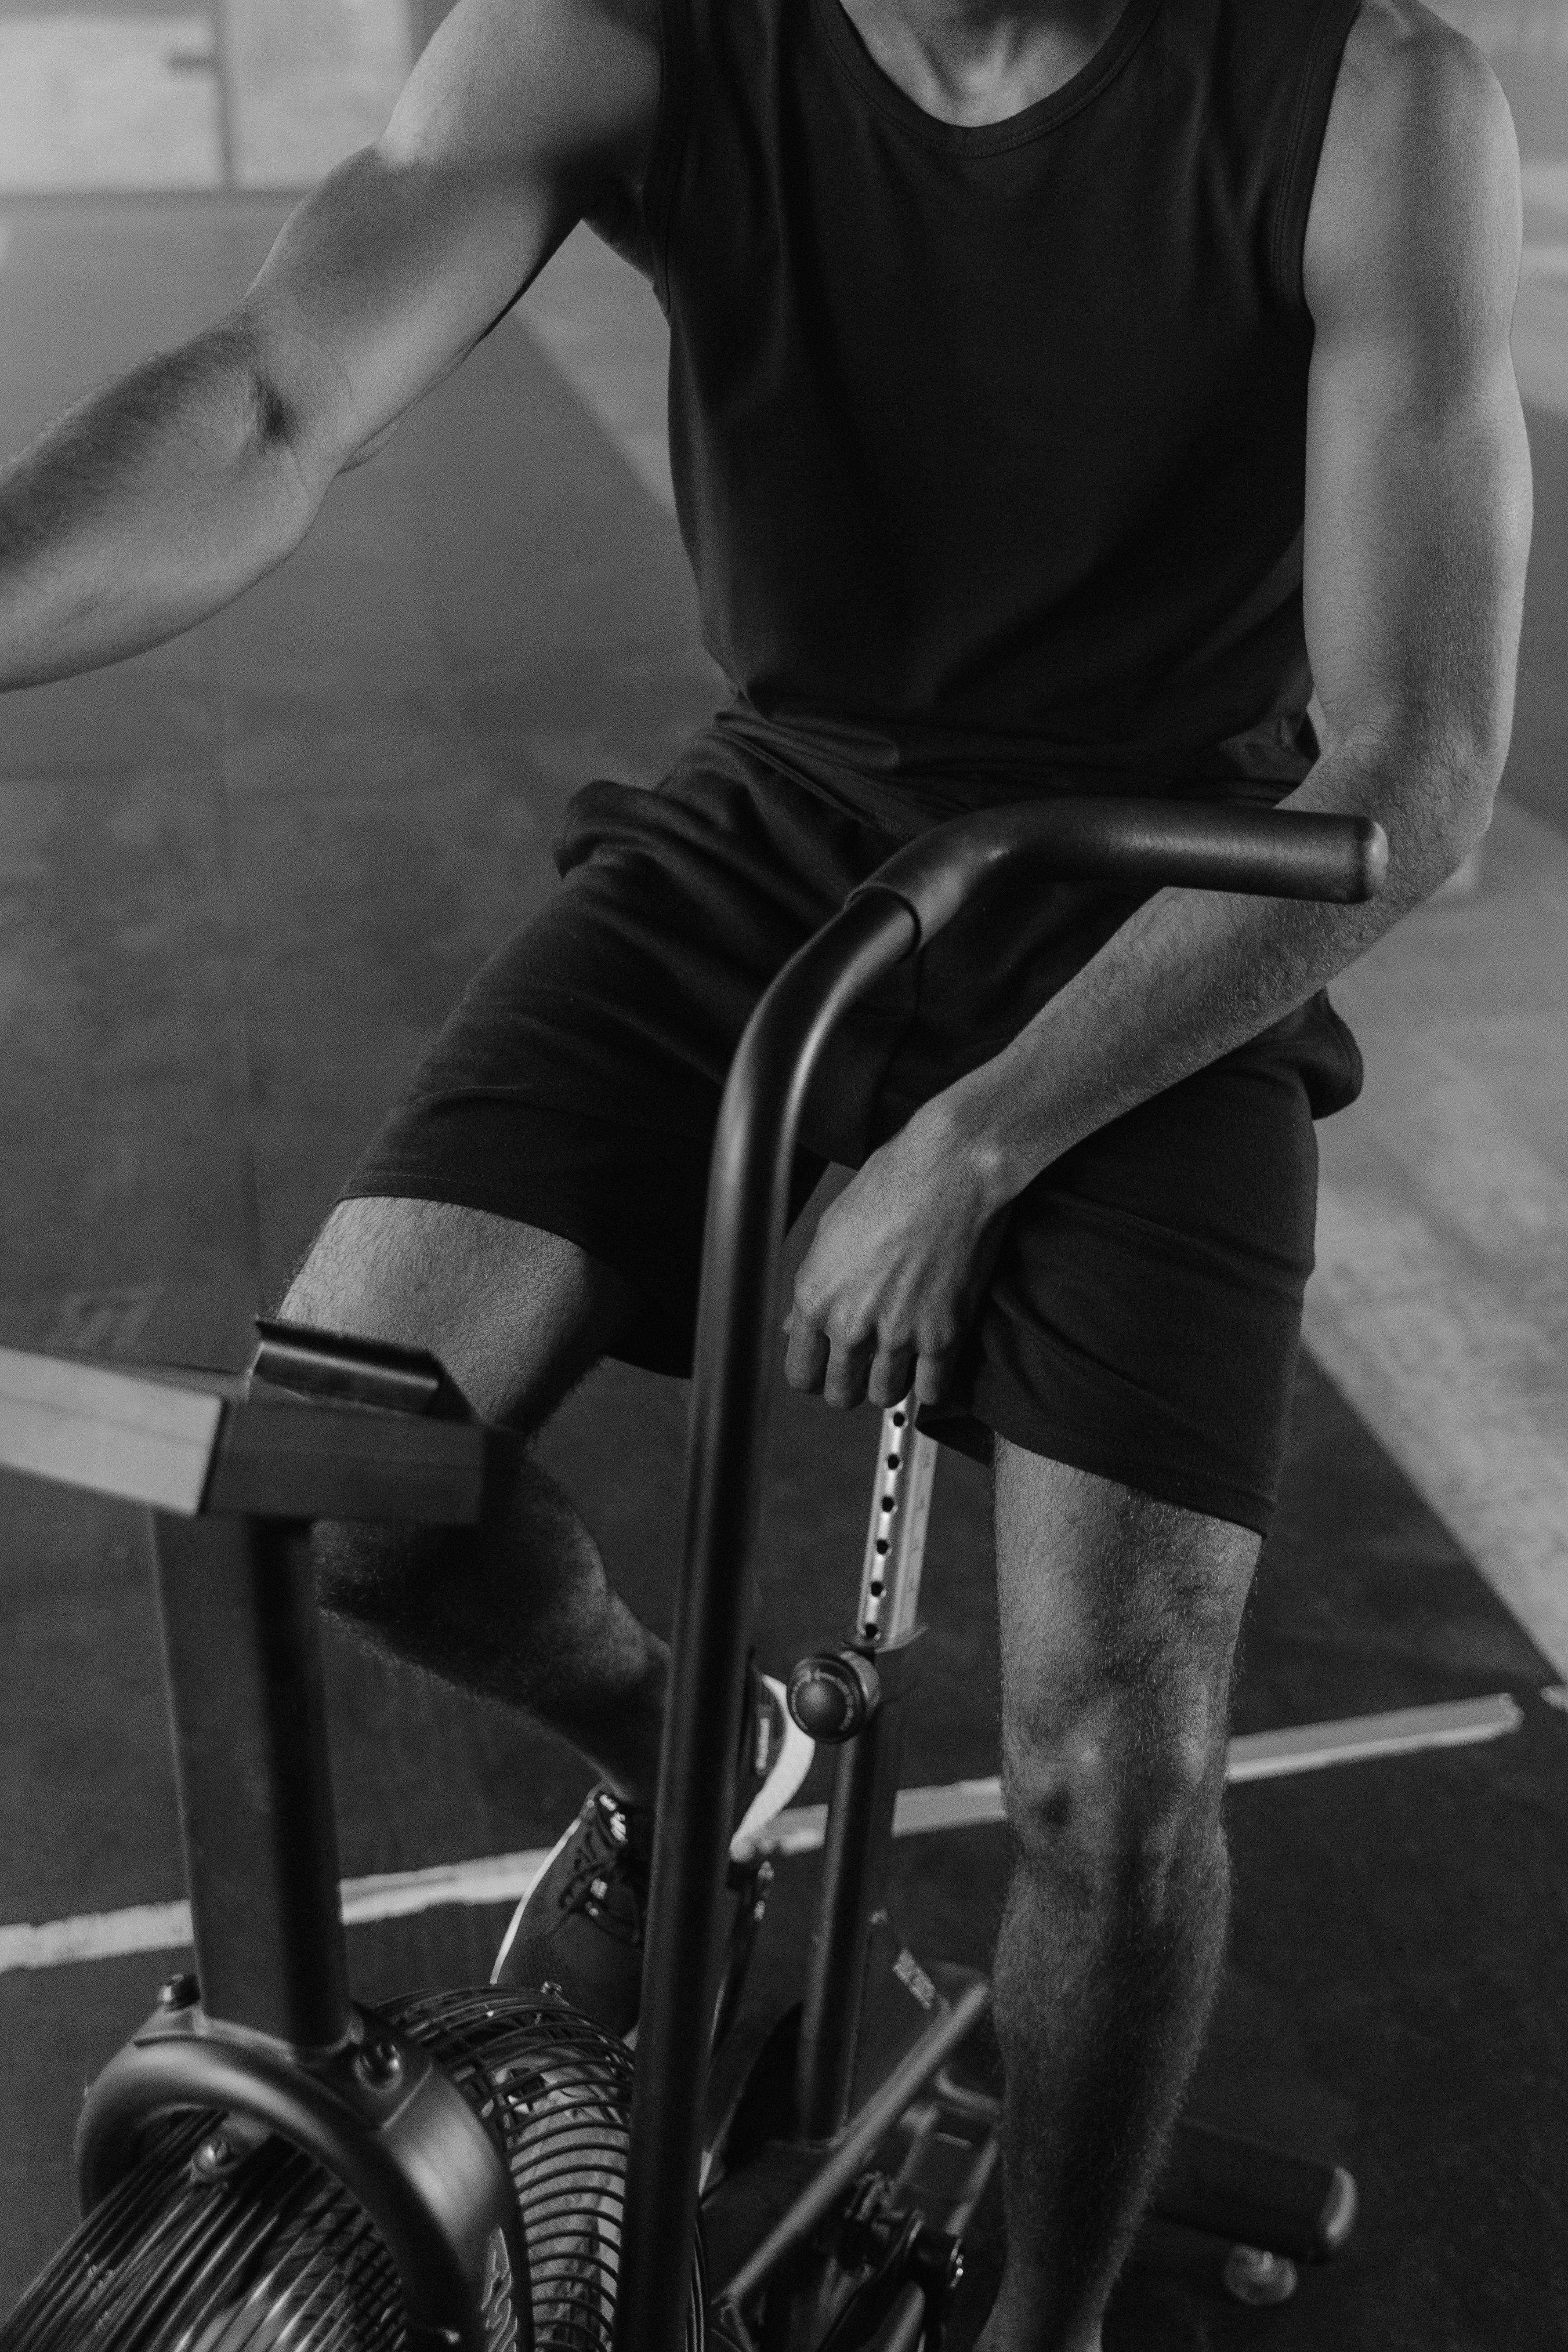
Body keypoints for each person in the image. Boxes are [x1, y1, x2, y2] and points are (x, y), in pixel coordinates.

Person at [0, 0, 1530, 2336]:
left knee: (1110, 1776)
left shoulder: (1370, 98)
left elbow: (1407, 776)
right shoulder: (621, 30)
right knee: (346, 1492)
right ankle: (694, 1752)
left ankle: (1043, 2321)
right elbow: (276, 402)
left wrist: (976, 1138)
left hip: (1174, 880)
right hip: (781, 826)